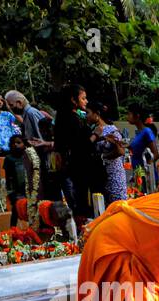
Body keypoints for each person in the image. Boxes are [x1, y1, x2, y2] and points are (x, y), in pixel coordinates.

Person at [53, 83, 97, 217]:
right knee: (82, 200)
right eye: (83, 98)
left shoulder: (65, 116)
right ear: (73, 100)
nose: (86, 101)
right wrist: (96, 135)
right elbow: (81, 145)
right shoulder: (71, 119)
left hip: (73, 165)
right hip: (79, 165)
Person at [88, 102, 127, 203]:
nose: (86, 116)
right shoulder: (93, 130)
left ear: (97, 114)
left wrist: (103, 157)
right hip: (101, 176)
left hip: (113, 174)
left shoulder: (112, 130)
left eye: (88, 113)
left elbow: (121, 151)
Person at [2, 133, 31, 225]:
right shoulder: (9, 158)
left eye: (19, 142)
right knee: (15, 212)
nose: (16, 145)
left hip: (29, 190)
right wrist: (11, 193)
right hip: (17, 192)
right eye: (13, 143)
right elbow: (8, 178)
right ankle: (13, 232)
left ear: (24, 144)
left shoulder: (28, 156)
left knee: (31, 212)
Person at [127, 106, 158, 173]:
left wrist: (146, 169)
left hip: (146, 176)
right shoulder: (138, 132)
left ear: (137, 116)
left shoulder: (147, 131)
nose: (127, 117)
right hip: (138, 174)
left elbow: (155, 155)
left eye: (129, 114)